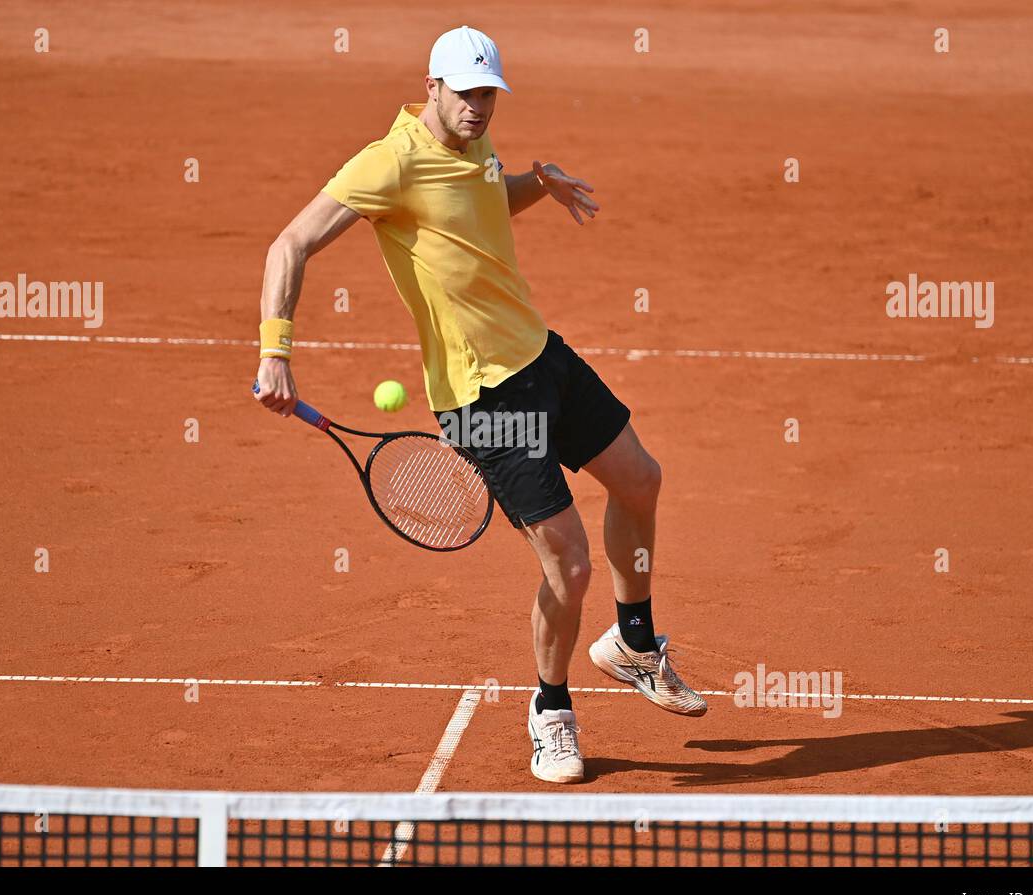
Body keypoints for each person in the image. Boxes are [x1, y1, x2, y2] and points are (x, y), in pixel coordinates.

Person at [254, 25, 706, 784]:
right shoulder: (389, 162)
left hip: (542, 358)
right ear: (430, 86)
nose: (477, 106)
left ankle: (632, 643)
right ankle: (551, 712)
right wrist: (276, 348)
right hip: (482, 398)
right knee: (567, 561)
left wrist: (535, 184)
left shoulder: (476, 146)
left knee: (641, 480)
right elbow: (289, 244)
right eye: (464, 93)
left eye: (488, 93)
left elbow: (478, 202)